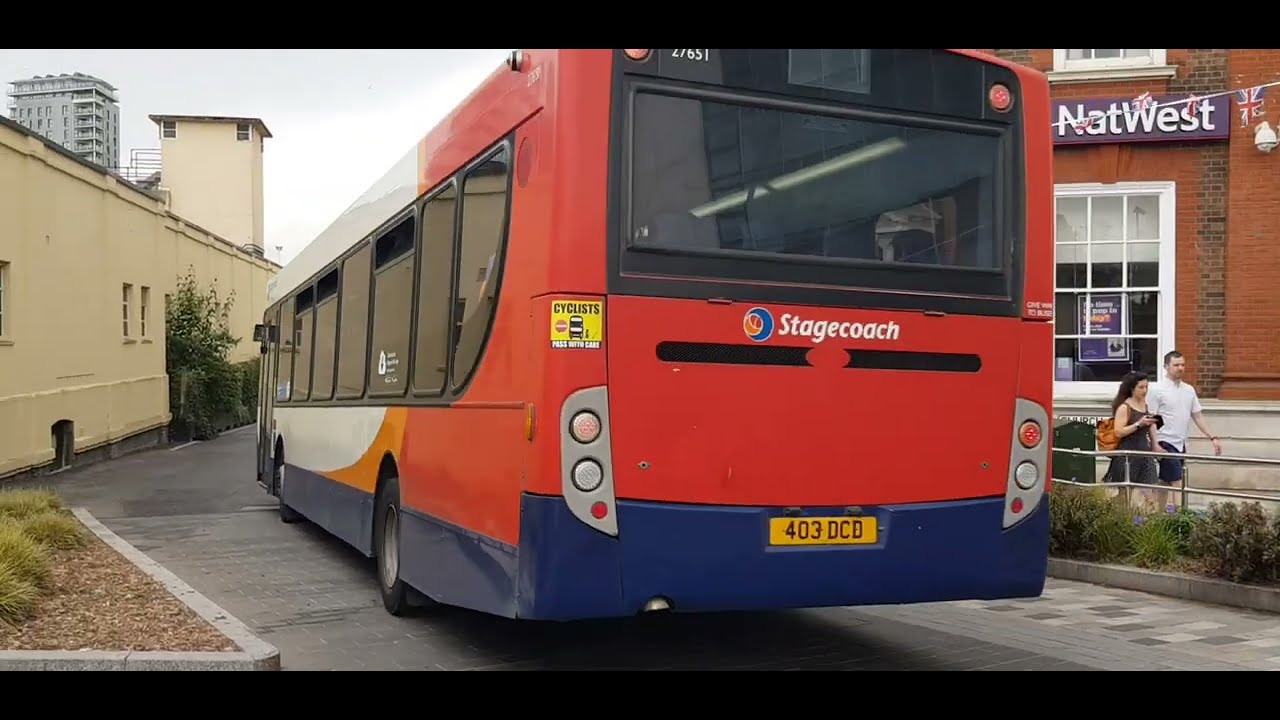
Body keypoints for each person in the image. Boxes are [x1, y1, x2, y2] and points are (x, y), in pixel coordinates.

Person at [1147, 350, 1221, 510]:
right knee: (1177, 480)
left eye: (1182, 365)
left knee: (1165, 480)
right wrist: (1154, 444)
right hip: (1164, 440)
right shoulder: (1156, 390)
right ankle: (1180, 516)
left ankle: (1159, 516)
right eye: (1176, 365)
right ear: (1166, 366)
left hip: (1180, 442)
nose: (1180, 368)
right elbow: (1150, 418)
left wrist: (1212, 437)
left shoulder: (1189, 390)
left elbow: (1197, 416)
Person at [1101, 371, 1160, 496]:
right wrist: (1138, 424)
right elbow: (1118, 431)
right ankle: (1125, 514)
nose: (1144, 391)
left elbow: (1149, 427)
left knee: (1149, 491)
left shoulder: (1144, 405)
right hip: (1128, 455)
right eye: (1141, 387)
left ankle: (1145, 515)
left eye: (1146, 387)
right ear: (1132, 388)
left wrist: (1155, 444)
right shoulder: (1124, 407)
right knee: (1124, 493)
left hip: (1144, 454)